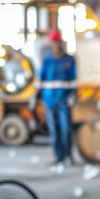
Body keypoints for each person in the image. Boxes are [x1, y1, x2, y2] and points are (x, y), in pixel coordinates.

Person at [37, 31, 76, 168]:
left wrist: (72, 96)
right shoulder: (47, 60)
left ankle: (68, 157)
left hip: (64, 100)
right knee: (54, 131)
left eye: (57, 43)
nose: (55, 45)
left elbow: (73, 80)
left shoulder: (68, 60)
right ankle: (58, 157)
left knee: (66, 129)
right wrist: (38, 97)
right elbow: (41, 79)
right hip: (49, 100)